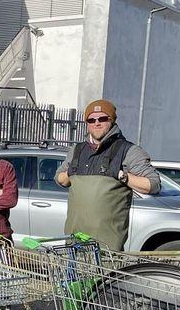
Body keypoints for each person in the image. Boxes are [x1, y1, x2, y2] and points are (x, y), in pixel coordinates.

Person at [55, 98, 160, 251]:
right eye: (91, 120)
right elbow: (60, 179)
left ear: (112, 120)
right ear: (87, 123)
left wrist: (122, 176)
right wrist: (70, 172)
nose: (96, 123)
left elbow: (153, 184)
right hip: (74, 244)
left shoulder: (128, 150)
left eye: (102, 118)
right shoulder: (77, 150)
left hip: (107, 249)